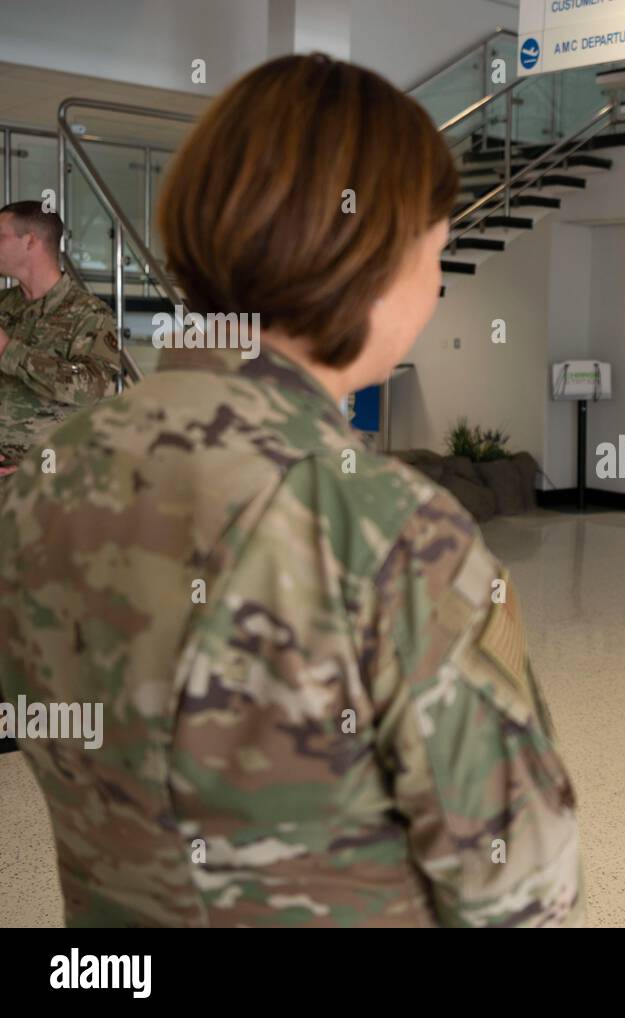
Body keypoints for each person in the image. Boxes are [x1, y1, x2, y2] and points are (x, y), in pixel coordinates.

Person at [0, 53, 582, 927]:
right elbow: (522, 891)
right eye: (436, 245)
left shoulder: (46, 482)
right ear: (374, 258)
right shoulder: (392, 534)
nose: (436, 278)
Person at [0, 200, 120, 480]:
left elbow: (90, 389)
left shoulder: (90, 315)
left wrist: (8, 350)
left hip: (52, 485)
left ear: (30, 242)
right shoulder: (3, 306)